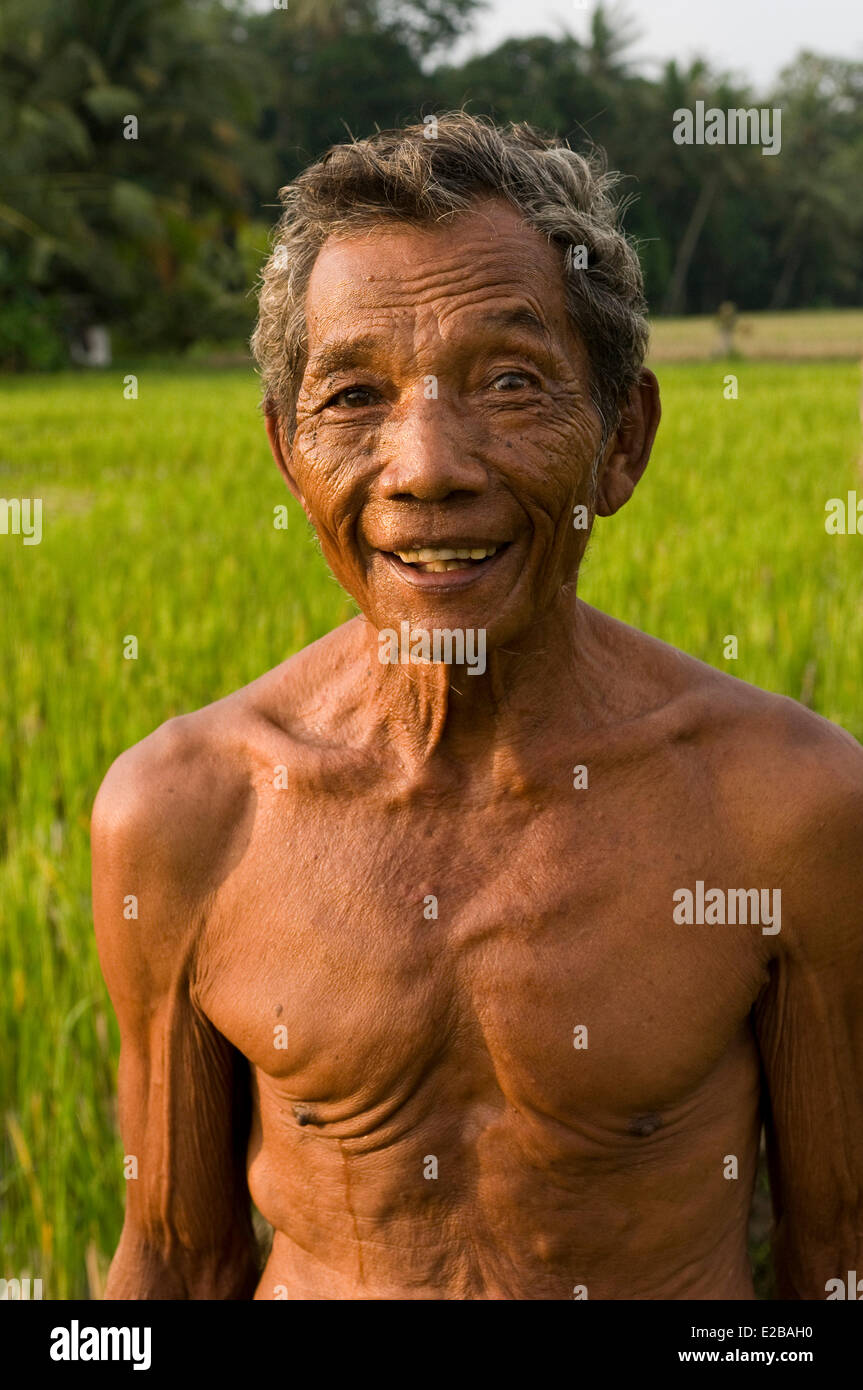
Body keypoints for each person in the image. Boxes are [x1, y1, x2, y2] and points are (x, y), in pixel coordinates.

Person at [92, 113, 863, 1300]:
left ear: (622, 441)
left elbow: (837, 1263)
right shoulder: (184, 814)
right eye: (354, 393)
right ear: (290, 455)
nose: (426, 464)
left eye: (510, 381)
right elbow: (177, 1264)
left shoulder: (786, 808)